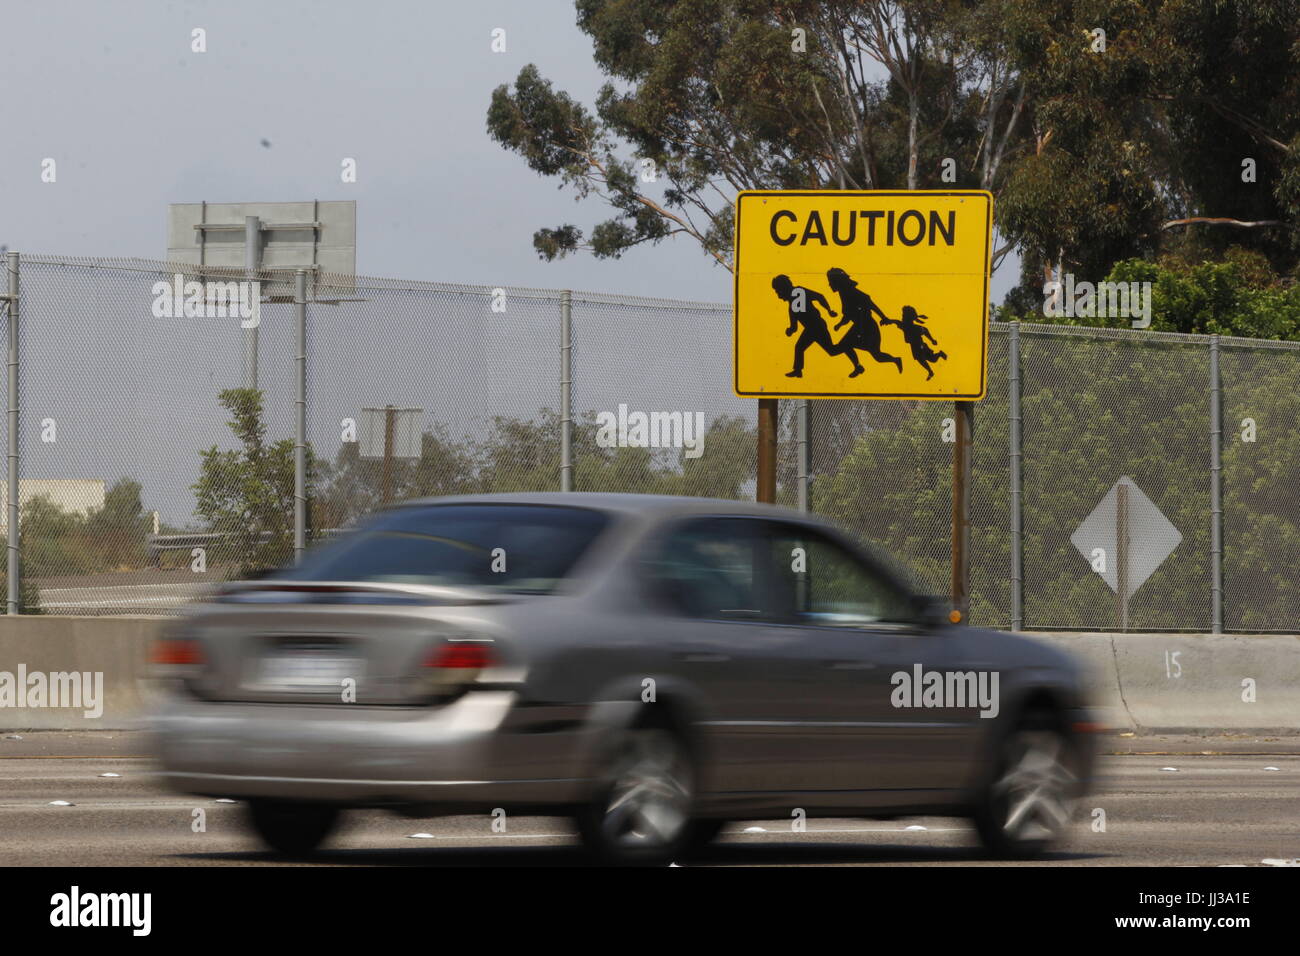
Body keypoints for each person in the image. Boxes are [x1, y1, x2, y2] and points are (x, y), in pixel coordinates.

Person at [825, 268, 902, 376]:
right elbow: (848, 315)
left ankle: (895, 360)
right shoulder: (843, 293)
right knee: (847, 346)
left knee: (877, 356)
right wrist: (840, 325)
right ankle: (858, 366)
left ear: (837, 281)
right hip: (859, 326)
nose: (829, 285)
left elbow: (869, 303)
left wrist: (883, 317)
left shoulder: (851, 292)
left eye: (830, 281)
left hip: (867, 326)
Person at [771, 274, 851, 378]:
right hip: (811, 329)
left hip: (817, 327)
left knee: (831, 350)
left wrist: (829, 310)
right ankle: (798, 371)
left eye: (778, 291)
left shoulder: (798, 294)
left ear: (784, 288)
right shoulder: (792, 306)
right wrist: (790, 330)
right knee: (801, 347)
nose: (778, 295)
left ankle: (849, 344)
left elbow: (819, 297)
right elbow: (794, 327)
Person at [882, 305, 948, 380]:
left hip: (921, 345)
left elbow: (925, 331)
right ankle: (931, 371)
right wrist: (888, 321)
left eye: (904, 316)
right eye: (902, 315)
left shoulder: (915, 328)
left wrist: (932, 340)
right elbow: (896, 321)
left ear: (909, 318)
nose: (902, 317)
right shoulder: (904, 325)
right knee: (922, 359)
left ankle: (939, 355)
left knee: (931, 359)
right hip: (914, 346)